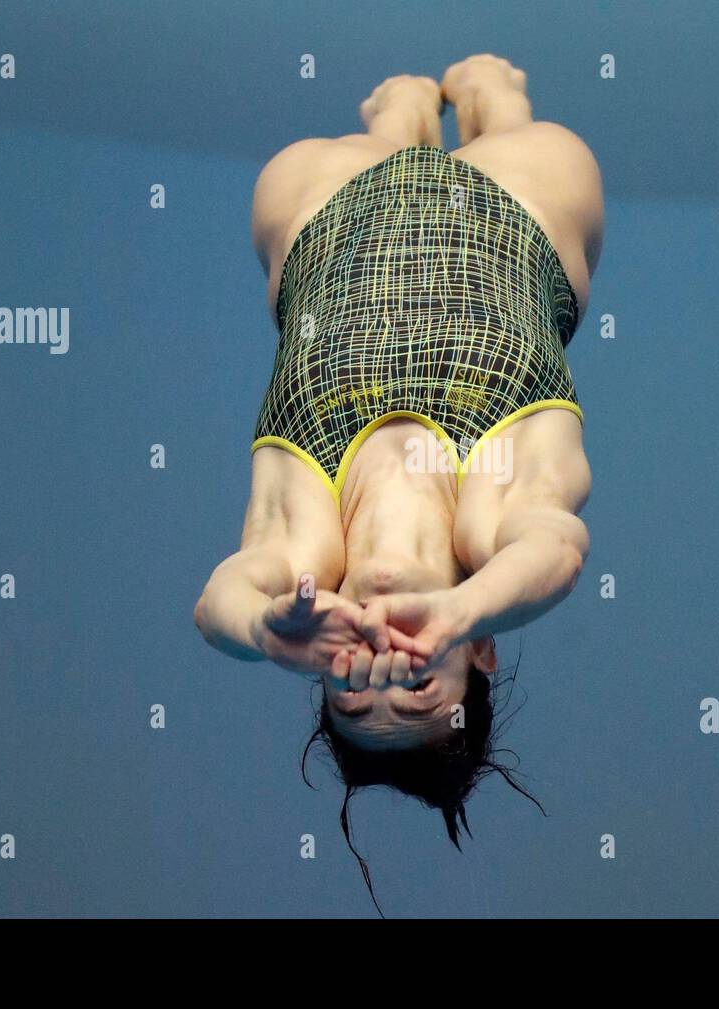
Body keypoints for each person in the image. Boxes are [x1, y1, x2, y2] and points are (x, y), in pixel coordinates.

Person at [194, 54, 604, 909]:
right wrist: (463, 604)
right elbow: (558, 548)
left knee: (327, 159)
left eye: (349, 681)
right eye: (417, 683)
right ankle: (494, 107)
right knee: (524, 131)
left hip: (331, 215)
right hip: (517, 209)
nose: (381, 652)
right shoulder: (490, 524)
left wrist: (267, 630)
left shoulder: (310, 535)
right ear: (478, 653)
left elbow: (221, 599)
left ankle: (399, 122)